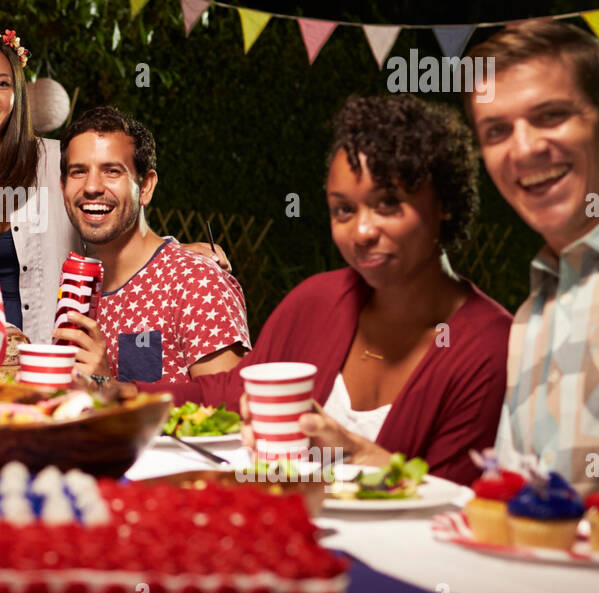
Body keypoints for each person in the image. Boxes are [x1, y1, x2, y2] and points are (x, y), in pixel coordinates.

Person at [144, 95, 513, 486]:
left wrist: (355, 453)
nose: (363, 232)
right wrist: (119, 397)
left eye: (387, 204)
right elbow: (229, 391)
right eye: (344, 210)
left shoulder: (488, 344)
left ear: (445, 203)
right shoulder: (314, 302)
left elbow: (460, 508)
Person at [0, 23, 231, 344]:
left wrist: (169, 255)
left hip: (53, 362)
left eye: (2, 84)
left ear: (18, 96)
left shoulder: (60, 162)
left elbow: (113, 226)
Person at [466, 20, 599, 492]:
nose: (524, 149)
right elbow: (525, 500)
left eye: (550, 116)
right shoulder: (531, 315)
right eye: (498, 130)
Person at [53, 107, 249, 383]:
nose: (92, 186)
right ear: (62, 187)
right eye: (78, 172)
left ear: (145, 186)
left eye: (112, 171)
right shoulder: (80, 289)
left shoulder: (196, 282)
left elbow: (229, 408)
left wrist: (106, 385)